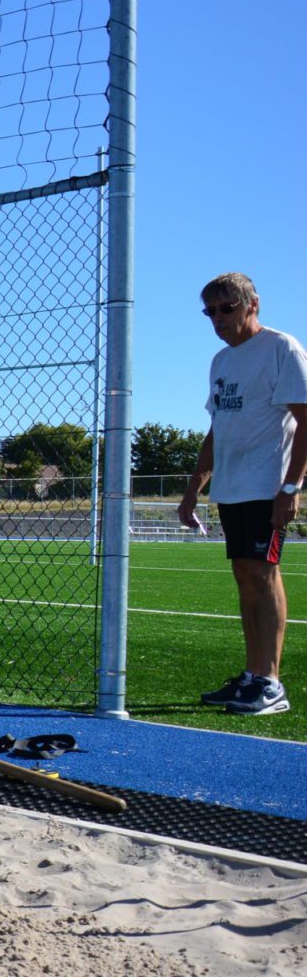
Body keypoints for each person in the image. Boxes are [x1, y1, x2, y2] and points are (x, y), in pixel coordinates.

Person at [178, 272, 307, 716]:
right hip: (231, 489)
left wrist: (290, 487)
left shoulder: (281, 348)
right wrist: (194, 489)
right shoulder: (221, 361)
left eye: (226, 308)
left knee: (262, 574)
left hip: (266, 486)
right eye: (210, 311)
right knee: (245, 576)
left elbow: (305, 421)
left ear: (252, 304)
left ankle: (271, 683)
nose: (218, 318)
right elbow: (217, 429)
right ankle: (252, 676)